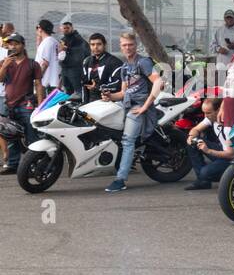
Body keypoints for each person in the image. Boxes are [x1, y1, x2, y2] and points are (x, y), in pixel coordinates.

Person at [104, 32, 165, 193]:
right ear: (120, 46)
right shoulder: (125, 67)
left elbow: (159, 82)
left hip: (139, 107)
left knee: (127, 140)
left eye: (130, 44)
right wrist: (110, 96)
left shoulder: (143, 62)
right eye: (124, 45)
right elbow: (123, 92)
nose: (127, 48)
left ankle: (120, 179)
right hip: (127, 104)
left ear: (136, 45)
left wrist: (145, 107)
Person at [0, 34, 39, 172]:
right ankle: (12, 164)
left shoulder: (32, 64)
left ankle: (34, 164)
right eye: (10, 44)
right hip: (9, 105)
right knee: (11, 135)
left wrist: (40, 105)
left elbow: (38, 84)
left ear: (22, 45)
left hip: (26, 105)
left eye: (16, 44)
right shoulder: (5, 62)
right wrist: (4, 66)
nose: (13, 46)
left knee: (31, 135)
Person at [184, 96, 234, 190]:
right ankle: (202, 182)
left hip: (232, 159)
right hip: (223, 151)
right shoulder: (211, 118)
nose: (205, 116)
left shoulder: (228, 124)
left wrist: (208, 151)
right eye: (204, 113)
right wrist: (191, 137)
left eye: (208, 113)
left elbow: (231, 155)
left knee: (205, 173)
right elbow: (195, 129)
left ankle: (231, 178)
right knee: (193, 142)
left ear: (219, 110)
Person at [81, 33, 122, 105]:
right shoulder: (87, 61)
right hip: (91, 102)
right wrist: (84, 103)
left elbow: (118, 84)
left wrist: (98, 87)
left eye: (99, 44)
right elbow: (84, 85)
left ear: (105, 45)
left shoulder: (115, 62)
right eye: (92, 45)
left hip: (109, 102)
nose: (95, 47)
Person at [59, 18, 89, 97]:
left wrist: (67, 49)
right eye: (64, 28)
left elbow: (79, 55)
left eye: (67, 28)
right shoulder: (63, 40)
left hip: (75, 69)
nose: (66, 30)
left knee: (78, 91)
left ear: (72, 28)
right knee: (67, 90)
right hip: (65, 69)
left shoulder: (78, 40)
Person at [34, 19, 61, 102]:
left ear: (40, 28)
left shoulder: (47, 42)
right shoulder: (53, 41)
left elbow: (45, 63)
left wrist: (37, 79)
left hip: (46, 82)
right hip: (53, 81)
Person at [210, 9, 234, 75]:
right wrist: (219, 49)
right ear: (224, 19)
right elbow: (212, 45)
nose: (229, 19)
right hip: (221, 63)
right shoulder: (219, 30)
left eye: (231, 18)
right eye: (227, 18)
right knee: (221, 83)